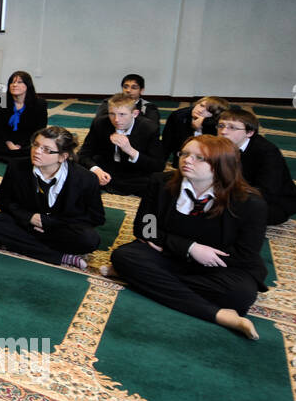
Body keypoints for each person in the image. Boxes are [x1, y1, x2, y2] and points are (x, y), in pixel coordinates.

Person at [109, 135, 267, 339]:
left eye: (199, 158)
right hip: (170, 256)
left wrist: (169, 246)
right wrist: (190, 248)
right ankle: (218, 314)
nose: (187, 160)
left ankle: (140, 278)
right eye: (184, 154)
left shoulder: (250, 203)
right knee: (125, 256)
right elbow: (146, 230)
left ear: (221, 165)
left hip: (220, 267)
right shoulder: (160, 183)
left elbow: (245, 255)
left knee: (240, 294)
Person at [0, 126, 104, 269]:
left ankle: (23, 243)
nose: (37, 151)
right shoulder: (17, 166)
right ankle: (60, 256)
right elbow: (3, 201)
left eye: (46, 149)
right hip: (27, 223)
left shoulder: (86, 179)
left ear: (63, 156)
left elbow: (96, 217)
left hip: (60, 228)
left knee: (89, 239)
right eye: (36, 145)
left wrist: (50, 222)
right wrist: (29, 217)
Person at [217, 107, 296, 225]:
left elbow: (267, 191)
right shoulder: (218, 144)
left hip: (274, 202)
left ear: (249, 132)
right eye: (221, 126)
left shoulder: (267, 152)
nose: (223, 131)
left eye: (232, 127)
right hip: (236, 191)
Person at [77, 93, 164, 195]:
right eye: (112, 114)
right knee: (74, 169)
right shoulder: (100, 123)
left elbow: (158, 165)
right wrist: (96, 170)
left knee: (158, 184)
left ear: (135, 114)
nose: (116, 120)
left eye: (122, 114)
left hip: (135, 173)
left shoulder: (149, 128)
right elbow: (83, 154)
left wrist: (130, 150)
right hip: (106, 168)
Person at [0, 70, 48, 163]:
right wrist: (10, 144)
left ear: (28, 85)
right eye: (12, 82)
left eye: (19, 82)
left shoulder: (39, 104)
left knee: (39, 148)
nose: (14, 85)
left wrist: (20, 145)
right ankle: (17, 157)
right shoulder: (1, 101)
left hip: (26, 142)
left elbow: (39, 130)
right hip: (5, 141)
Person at [161, 95, 227, 165]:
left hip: (208, 161)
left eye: (209, 111)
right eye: (201, 105)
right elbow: (167, 142)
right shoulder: (179, 115)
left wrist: (204, 122)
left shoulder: (217, 124)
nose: (201, 110)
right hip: (181, 159)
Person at [93, 73, 161, 132]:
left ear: (141, 90)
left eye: (134, 88)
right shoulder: (109, 103)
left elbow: (153, 127)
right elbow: (99, 121)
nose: (128, 90)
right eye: (125, 87)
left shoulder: (148, 106)